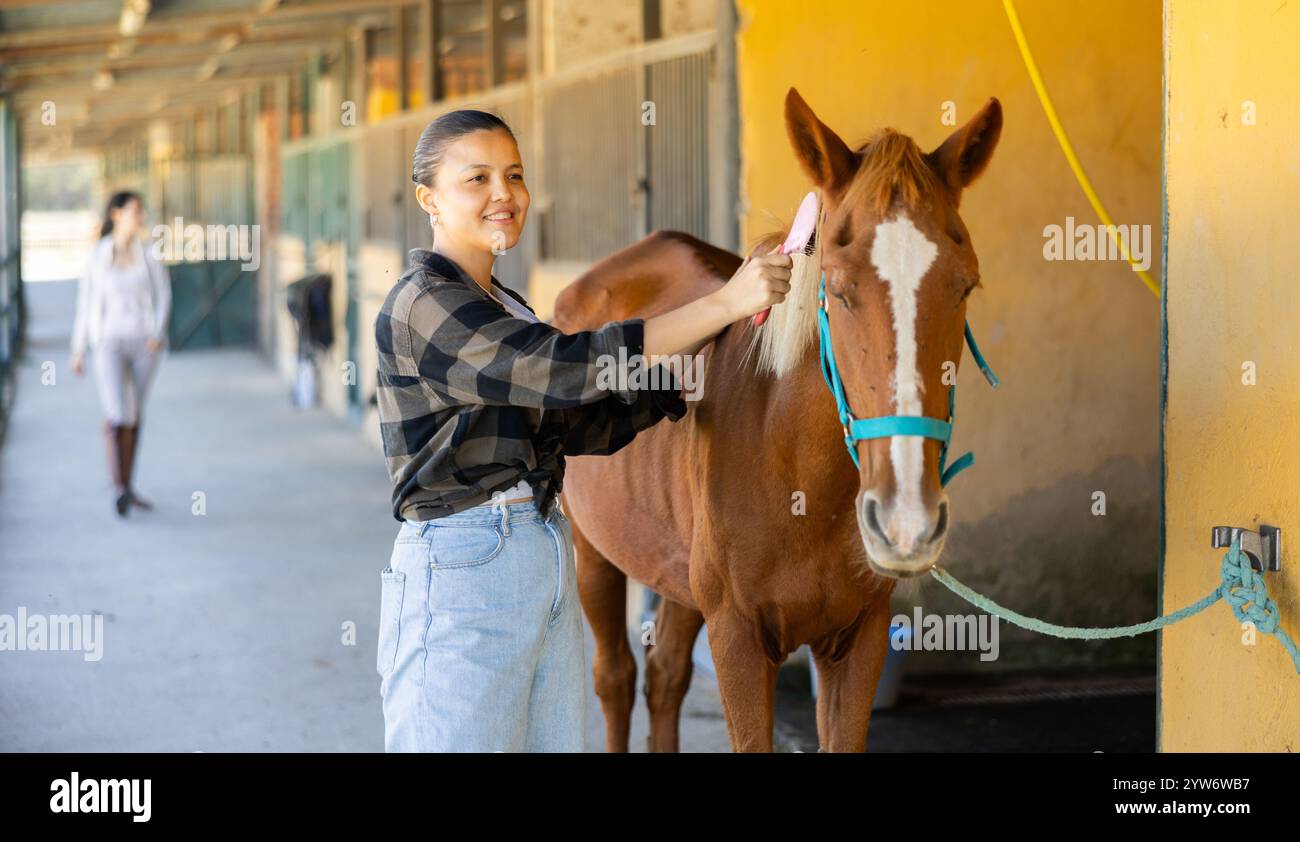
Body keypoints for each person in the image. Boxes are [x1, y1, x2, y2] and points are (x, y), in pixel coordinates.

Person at [373, 109, 791, 752]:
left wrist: (689, 373)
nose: (502, 194)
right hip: (462, 564)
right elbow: (561, 371)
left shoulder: (505, 306)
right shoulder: (422, 304)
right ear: (429, 198)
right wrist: (723, 303)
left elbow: (576, 423)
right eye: (476, 178)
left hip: (538, 551)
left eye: (513, 175)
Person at [70, 191, 171, 517]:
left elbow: (164, 294)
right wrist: (79, 348)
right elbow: (86, 302)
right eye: (134, 211)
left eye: (141, 211)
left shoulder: (149, 253)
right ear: (116, 213)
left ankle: (128, 486)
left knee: (135, 412)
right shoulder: (97, 255)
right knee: (117, 411)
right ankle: (119, 487)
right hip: (109, 342)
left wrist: (157, 334)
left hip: (143, 343)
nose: (140, 217)